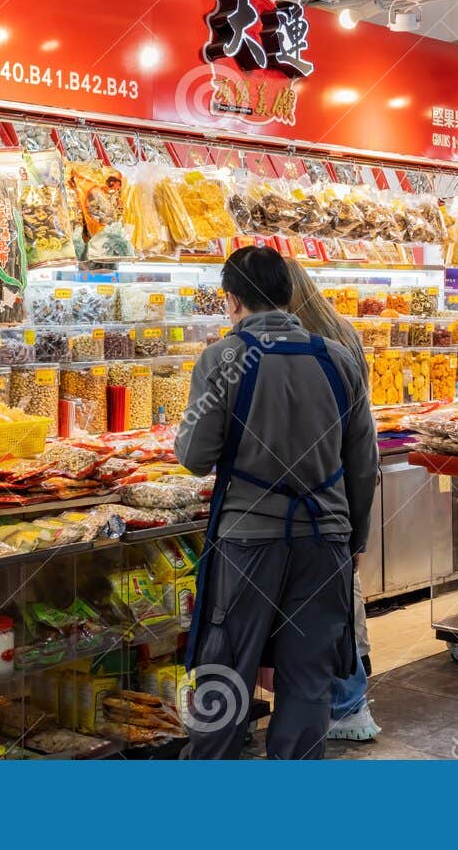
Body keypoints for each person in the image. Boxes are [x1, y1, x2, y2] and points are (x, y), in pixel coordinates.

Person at [176, 246, 378, 759]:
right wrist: (355, 539)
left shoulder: (223, 358)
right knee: (309, 675)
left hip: (247, 543)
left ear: (232, 299)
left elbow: (195, 457)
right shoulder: (336, 357)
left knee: (226, 669)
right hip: (325, 542)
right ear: (289, 296)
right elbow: (363, 462)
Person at [284, 258, 379, 743]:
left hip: (316, 495)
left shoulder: (299, 347)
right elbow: (362, 443)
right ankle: (346, 700)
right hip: (338, 491)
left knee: (332, 607)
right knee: (340, 600)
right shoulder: (342, 333)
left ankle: (347, 702)